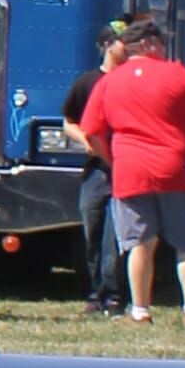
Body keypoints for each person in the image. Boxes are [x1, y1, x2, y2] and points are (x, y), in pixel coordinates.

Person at [76, 13, 185, 328]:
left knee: (139, 242)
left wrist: (111, 159)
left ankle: (140, 310)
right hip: (177, 166)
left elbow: (91, 132)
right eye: (161, 43)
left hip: (130, 168)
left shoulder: (109, 81)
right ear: (148, 44)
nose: (165, 49)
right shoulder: (178, 74)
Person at [63, 53, 124, 312]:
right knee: (92, 229)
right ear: (108, 46)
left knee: (115, 235)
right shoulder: (87, 82)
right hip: (96, 170)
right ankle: (93, 294)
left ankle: (114, 295)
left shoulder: (131, 81)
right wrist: (85, 140)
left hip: (126, 168)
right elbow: (69, 122)